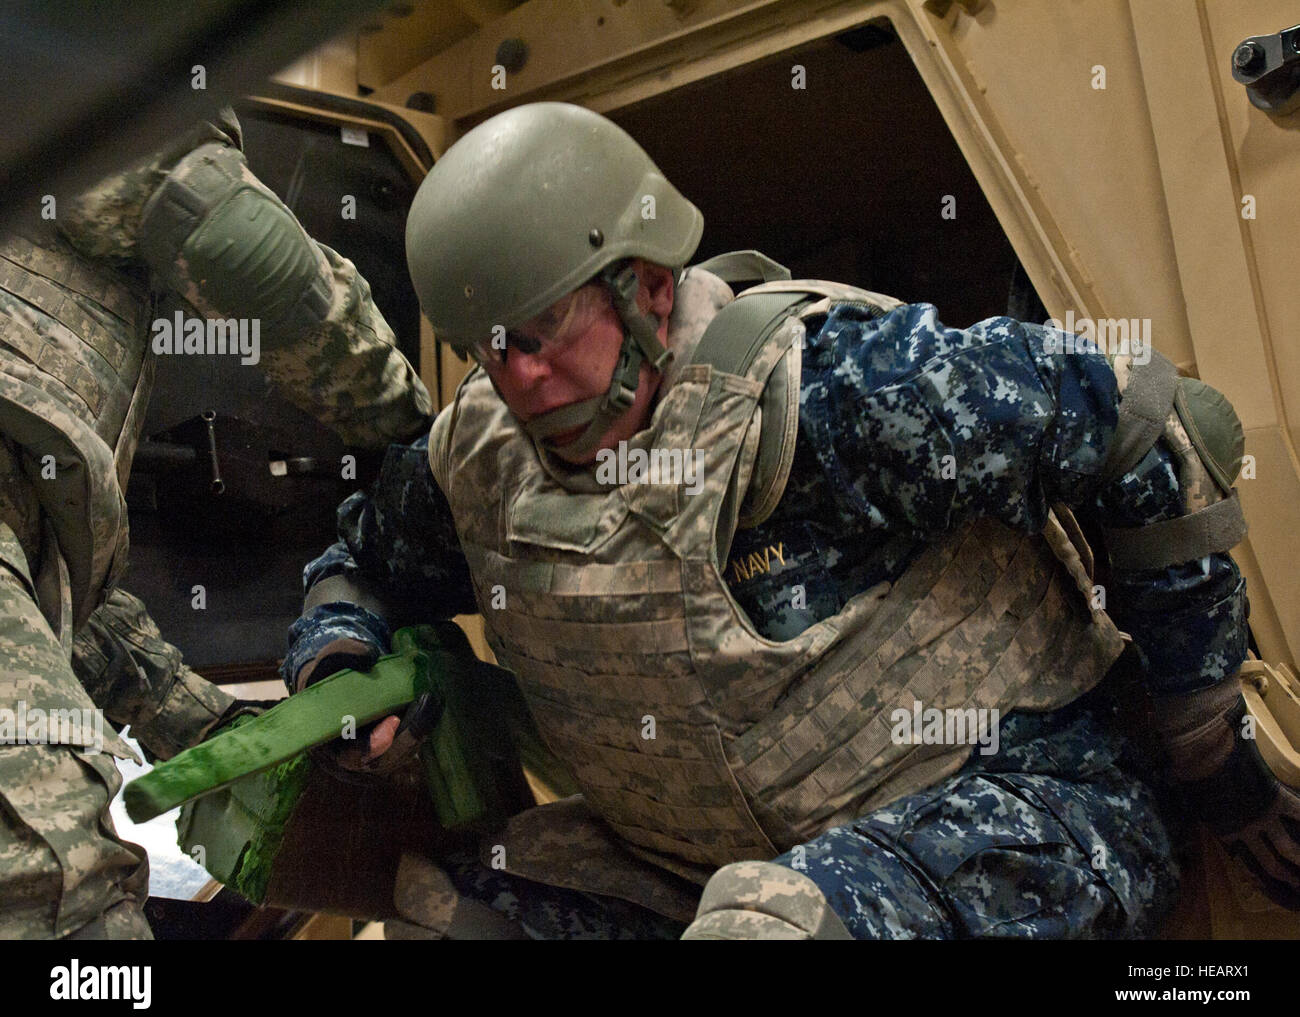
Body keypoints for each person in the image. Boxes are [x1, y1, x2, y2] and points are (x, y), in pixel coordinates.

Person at [282, 102, 1297, 940]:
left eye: (543, 336)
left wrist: (1205, 734)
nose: (520, 380)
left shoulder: (836, 390)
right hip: (705, 865)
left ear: (641, 284)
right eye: (488, 349)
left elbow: (1152, 425)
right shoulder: (474, 455)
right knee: (438, 920)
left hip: (1028, 810)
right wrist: (335, 663)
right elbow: (359, 562)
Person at [0, 108, 433, 939]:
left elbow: (55, 611)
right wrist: (418, 443)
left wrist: (220, 728)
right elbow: (236, 241)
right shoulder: (65, 67)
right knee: (59, 898)